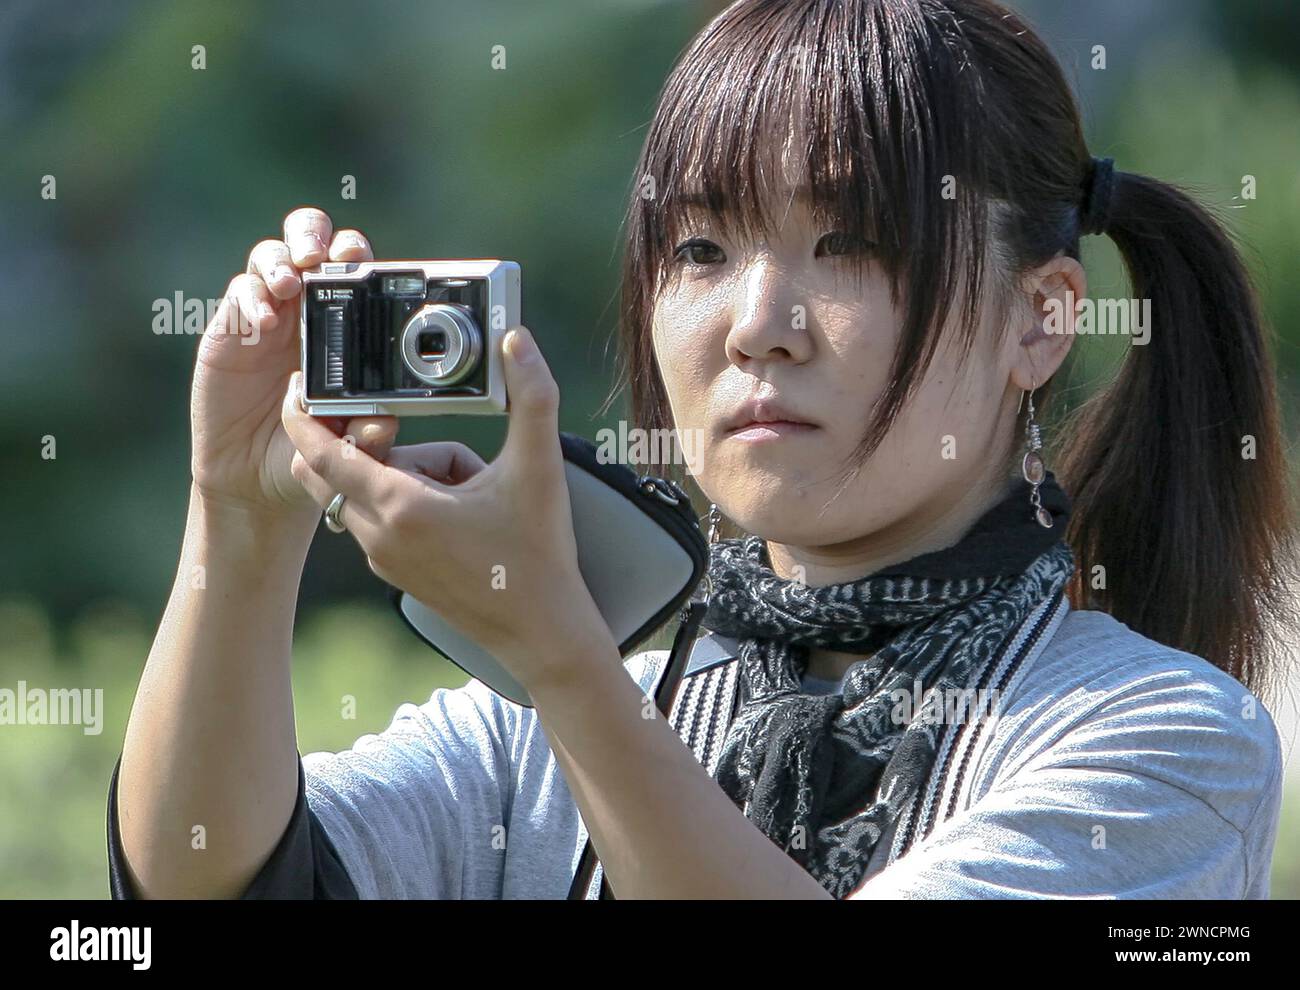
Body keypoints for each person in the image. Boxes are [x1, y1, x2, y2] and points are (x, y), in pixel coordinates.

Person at [109, 0, 1294, 899]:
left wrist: (564, 658)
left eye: (853, 244)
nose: (756, 325)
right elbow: (203, 881)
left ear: (1041, 317)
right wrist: (243, 515)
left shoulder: (1165, 740)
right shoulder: (552, 724)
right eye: (699, 250)